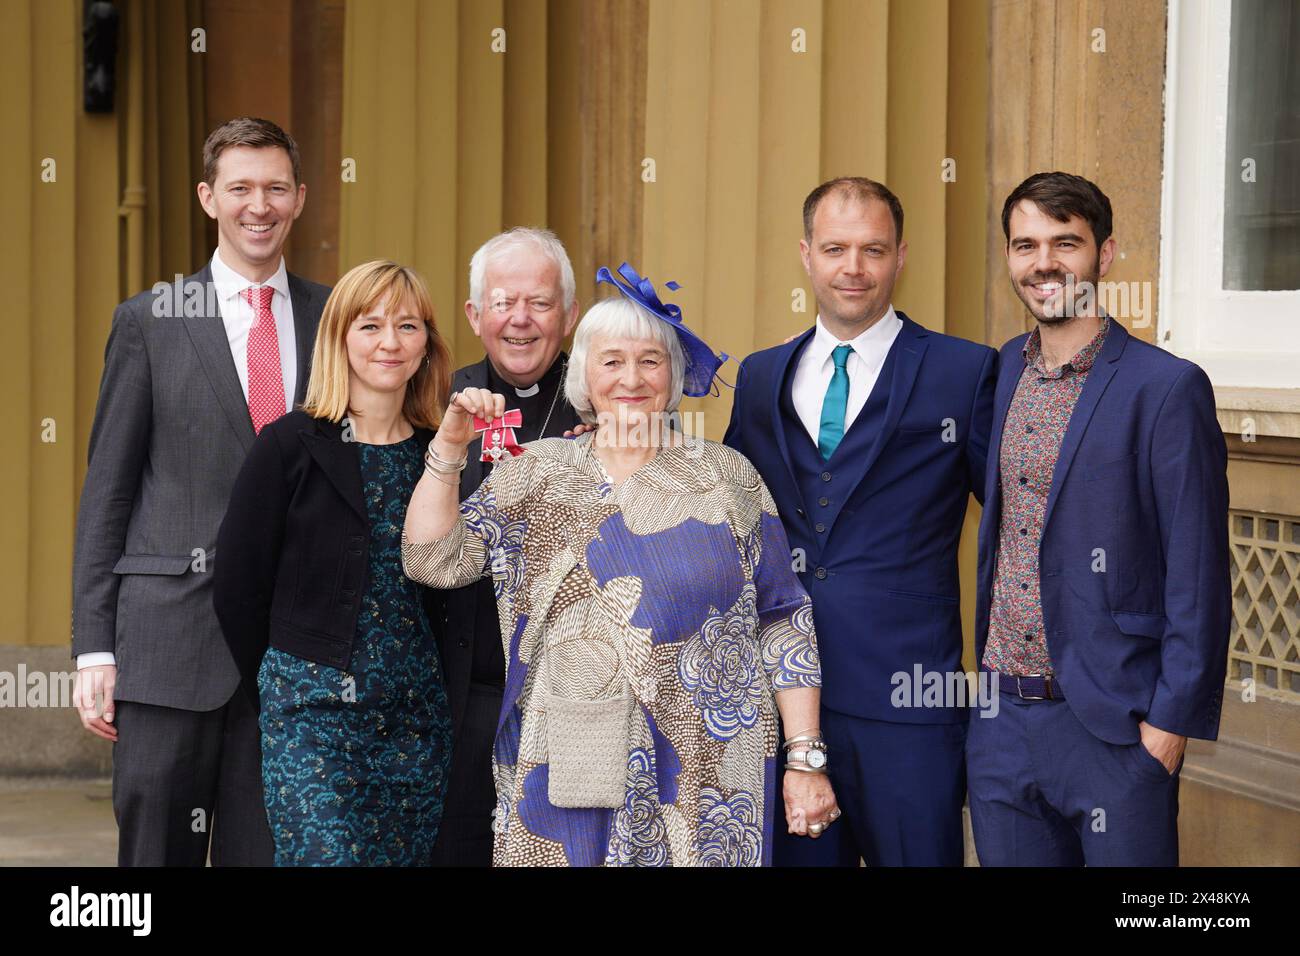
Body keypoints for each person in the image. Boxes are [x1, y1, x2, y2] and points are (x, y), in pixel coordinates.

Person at [403, 264, 837, 866]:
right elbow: (431, 561)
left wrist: (804, 755)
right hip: (568, 749)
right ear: (584, 374)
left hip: (709, 765)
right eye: (611, 361)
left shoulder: (727, 476)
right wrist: (450, 445)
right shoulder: (537, 472)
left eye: (651, 361)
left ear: (675, 374)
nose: (631, 378)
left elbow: (783, 617)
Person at [71, 117, 330, 866]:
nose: (260, 205)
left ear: (301, 198)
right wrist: (94, 649)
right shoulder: (150, 320)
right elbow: (107, 496)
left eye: (276, 188)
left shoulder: (337, 319)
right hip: (163, 651)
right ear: (208, 197)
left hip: (289, 661)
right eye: (241, 187)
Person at [724, 177, 997, 867]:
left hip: (909, 703)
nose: (854, 267)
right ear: (806, 255)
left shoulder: (964, 372)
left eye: (872, 250)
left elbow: (1018, 515)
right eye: (836, 248)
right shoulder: (761, 376)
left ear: (900, 256)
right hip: (782, 706)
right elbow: (719, 509)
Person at [967, 171, 1230, 866]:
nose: (1043, 262)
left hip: (1114, 727)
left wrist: (1169, 724)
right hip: (1000, 721)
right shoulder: (1002, 375)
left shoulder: (1165, 387)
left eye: (1065, 242)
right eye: (1025, 245)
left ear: (1104, 254)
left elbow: (1197, 570)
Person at [213, 260, 455, 866]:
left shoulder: (442, 453)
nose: (390, 343)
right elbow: (238, 590)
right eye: (370, 326)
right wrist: (286, 681)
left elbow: (456, 583)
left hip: (415, 717)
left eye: (407, 326)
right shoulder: (288, 446)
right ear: (339, 337)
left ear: (427, 343)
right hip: (312, 716)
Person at [429, 227, 583, 865]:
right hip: (458, 688)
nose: (520, 320)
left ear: (569, 315)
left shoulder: (606, 395)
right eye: (502, 302)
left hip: (569, 691)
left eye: (541, 304)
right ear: (474, 314)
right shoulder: (432, 397)